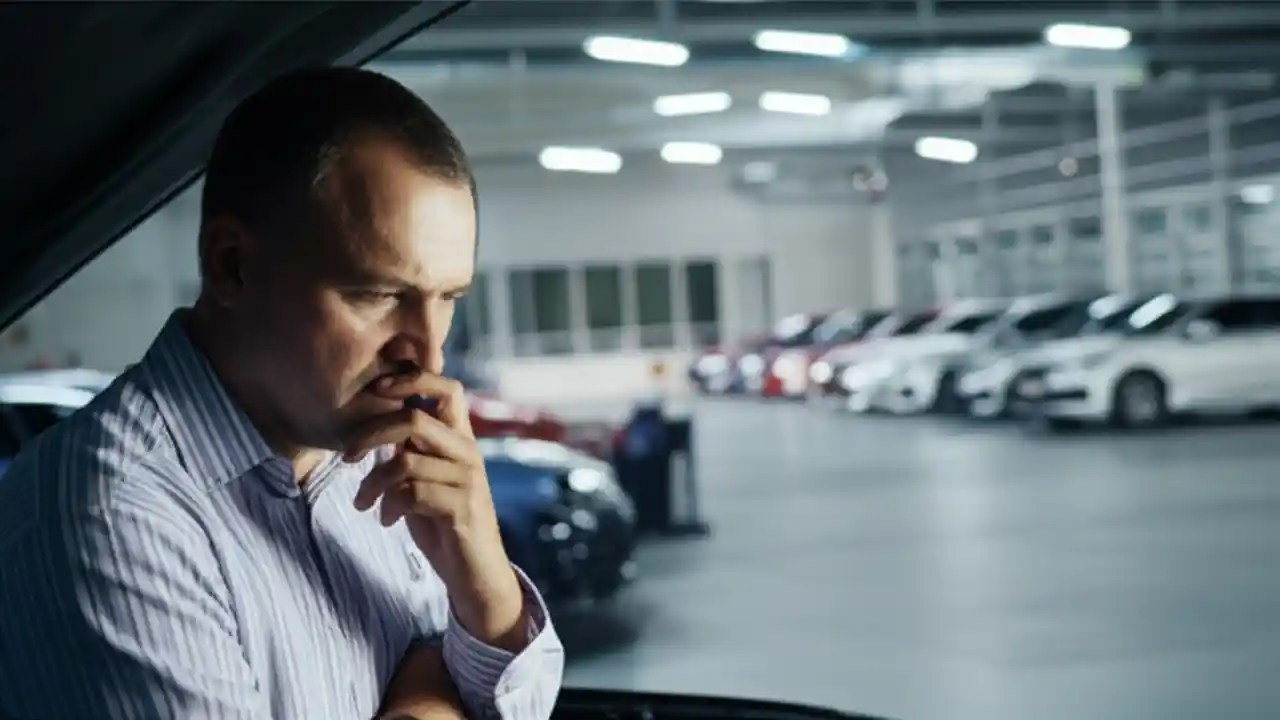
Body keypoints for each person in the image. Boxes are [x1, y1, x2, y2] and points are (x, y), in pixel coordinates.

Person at [0, 68, 564, 719]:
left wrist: (488, 592)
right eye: (378, 296)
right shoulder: (114, 514)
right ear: (232, 265)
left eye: (448, 300)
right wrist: (428, 703)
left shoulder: (383, 450)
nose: (427, 354)